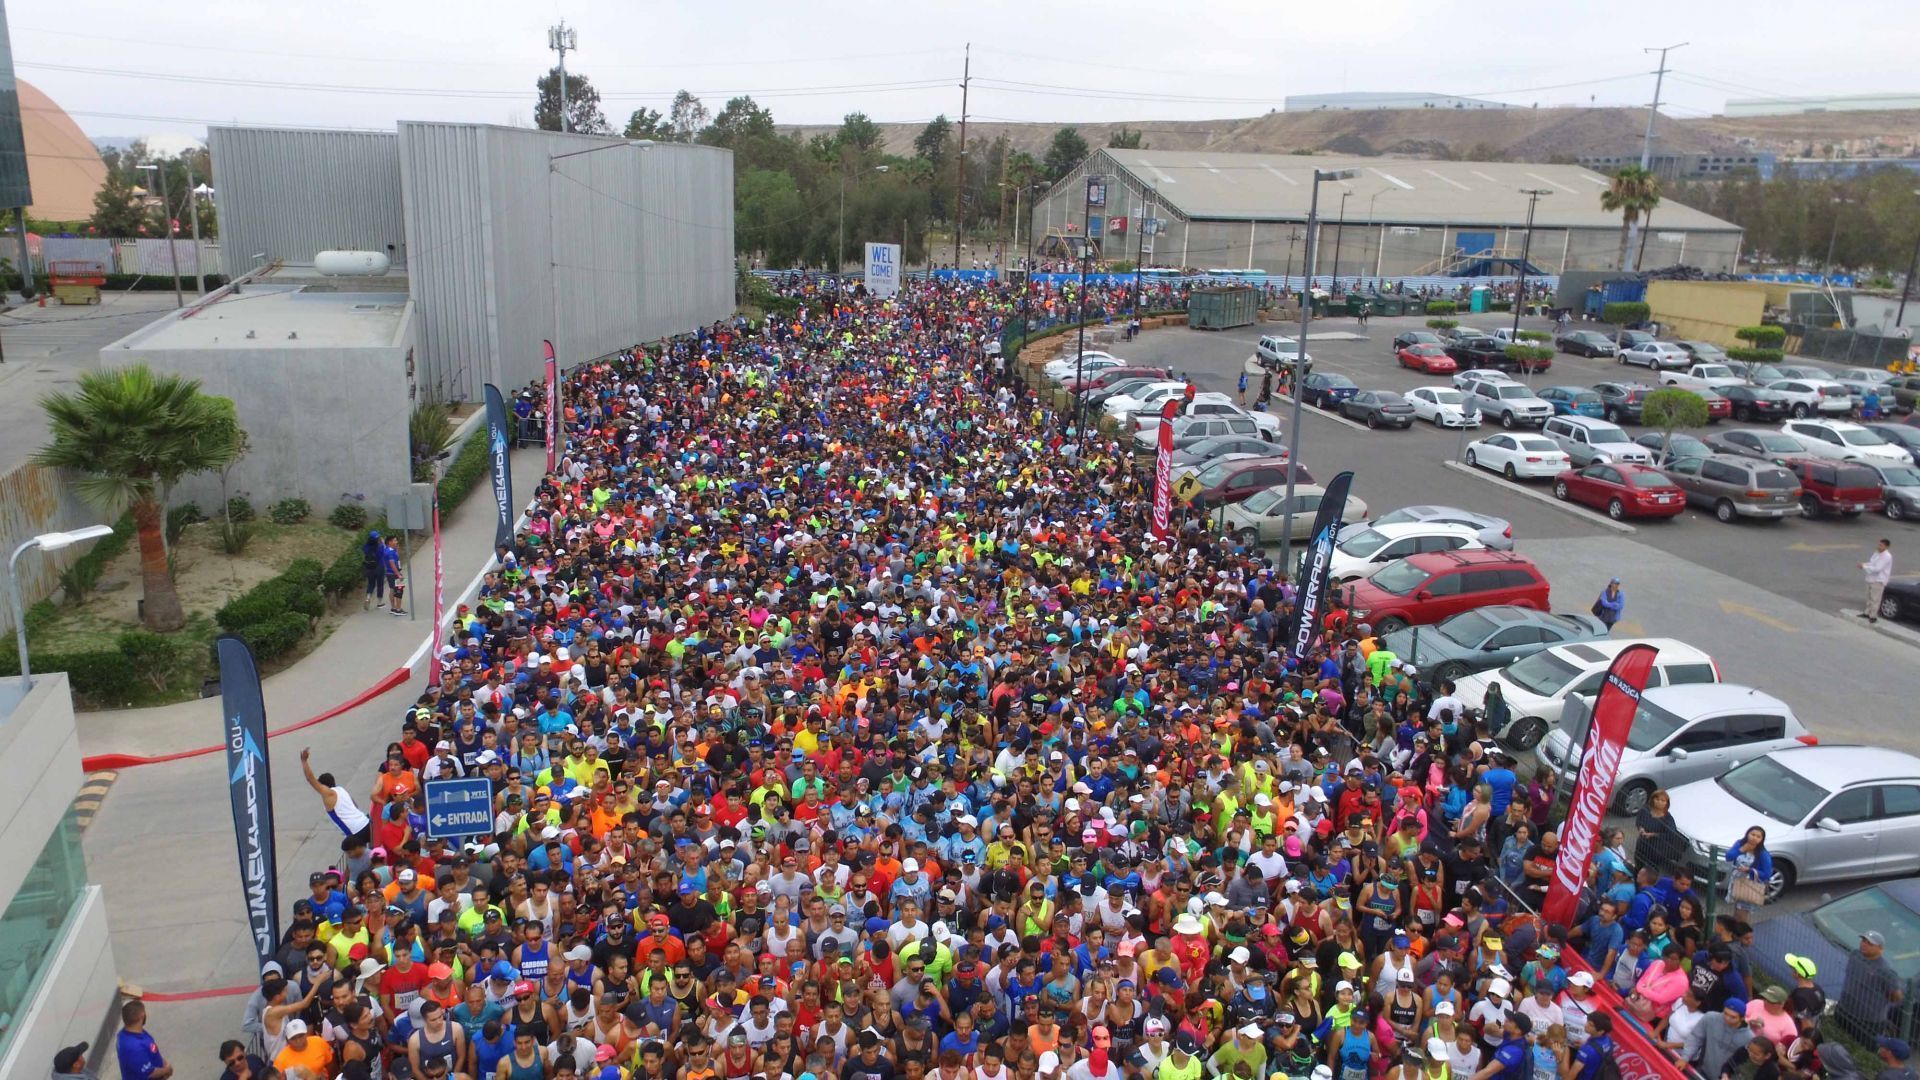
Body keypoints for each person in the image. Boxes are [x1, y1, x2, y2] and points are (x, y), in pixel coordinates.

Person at [115, 1001, 174, 1080]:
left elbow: (152, 1052)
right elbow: (150, 1073)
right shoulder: (134, 1047)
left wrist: (164, 1063)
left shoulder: (128, 1033)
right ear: (141, 1016)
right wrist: (166, 1070)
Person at [1723, 826, 1772, 916]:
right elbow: (1728, 857)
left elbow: (1766, 874)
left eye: (1758, 837)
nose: (1754, 838)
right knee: (1736, 911)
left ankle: (1741, 929)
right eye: (1752, 834)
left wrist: (1750, 870)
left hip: (1749, 885)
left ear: (1762, 840)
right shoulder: (1740, 844)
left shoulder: (1763, 854)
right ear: (1747, 834)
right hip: (1736, 882)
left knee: (1742, 915)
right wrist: (1742, 849)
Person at [1861, 539, 1893, 622]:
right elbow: (1871, 563)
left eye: (1881, 545)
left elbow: (1878, 568)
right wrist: (1864, 564)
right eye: (1879, 544)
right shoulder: (1876, 553)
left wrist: (1864, 567)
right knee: (1869, 596)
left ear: (1886, 547)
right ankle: (1867, 612)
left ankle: (1873, 616)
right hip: (1870, 578)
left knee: (1875, 598)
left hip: (1878, 580)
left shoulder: (1887, 556)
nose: (1879, 546)